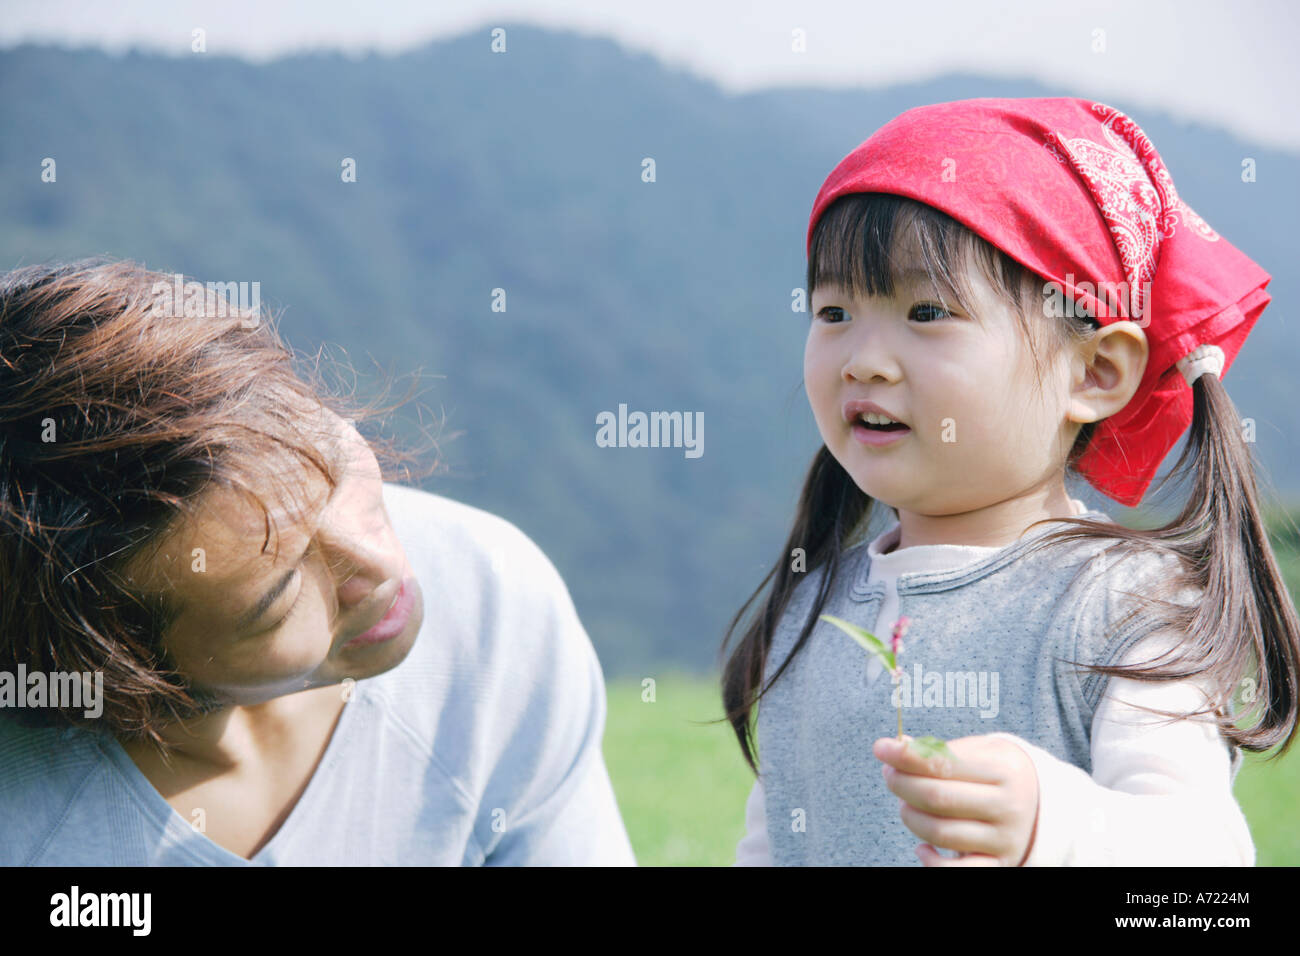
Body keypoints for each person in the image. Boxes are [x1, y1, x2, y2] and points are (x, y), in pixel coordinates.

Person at [721, 98, 1299, 866]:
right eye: (833, 311)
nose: (863, 358)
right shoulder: (811, 608)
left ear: (1094, 371)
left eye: (926, 310)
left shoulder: (1121, 609)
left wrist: (1051, 826)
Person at [0, 259, 636, 865]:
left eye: (333, 471)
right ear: (127, 677)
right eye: (279, 597)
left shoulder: (490, 607)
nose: (379, 569)